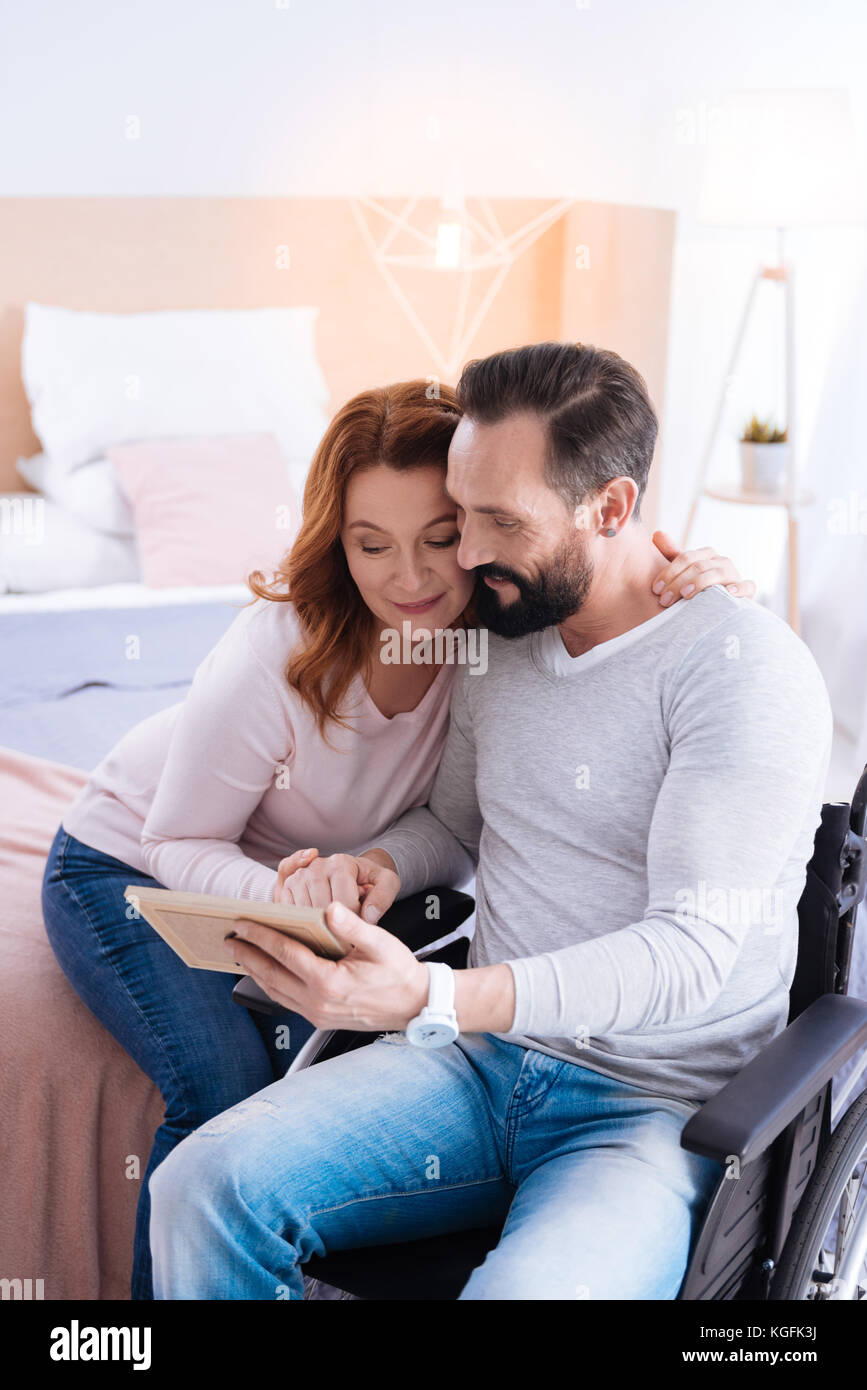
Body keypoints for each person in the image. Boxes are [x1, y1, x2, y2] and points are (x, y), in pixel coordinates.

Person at [147, 341, 833, 1301]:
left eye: (496, 522)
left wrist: (434, 1001)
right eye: (459, 514)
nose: (463, 557)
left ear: (611, 508)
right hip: (475, 1071)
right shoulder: (502, 639)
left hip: (646, 1110)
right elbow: (459, 825)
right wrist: (384, 862)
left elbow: (688, 954)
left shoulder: (741, 672)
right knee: (198, 1187)